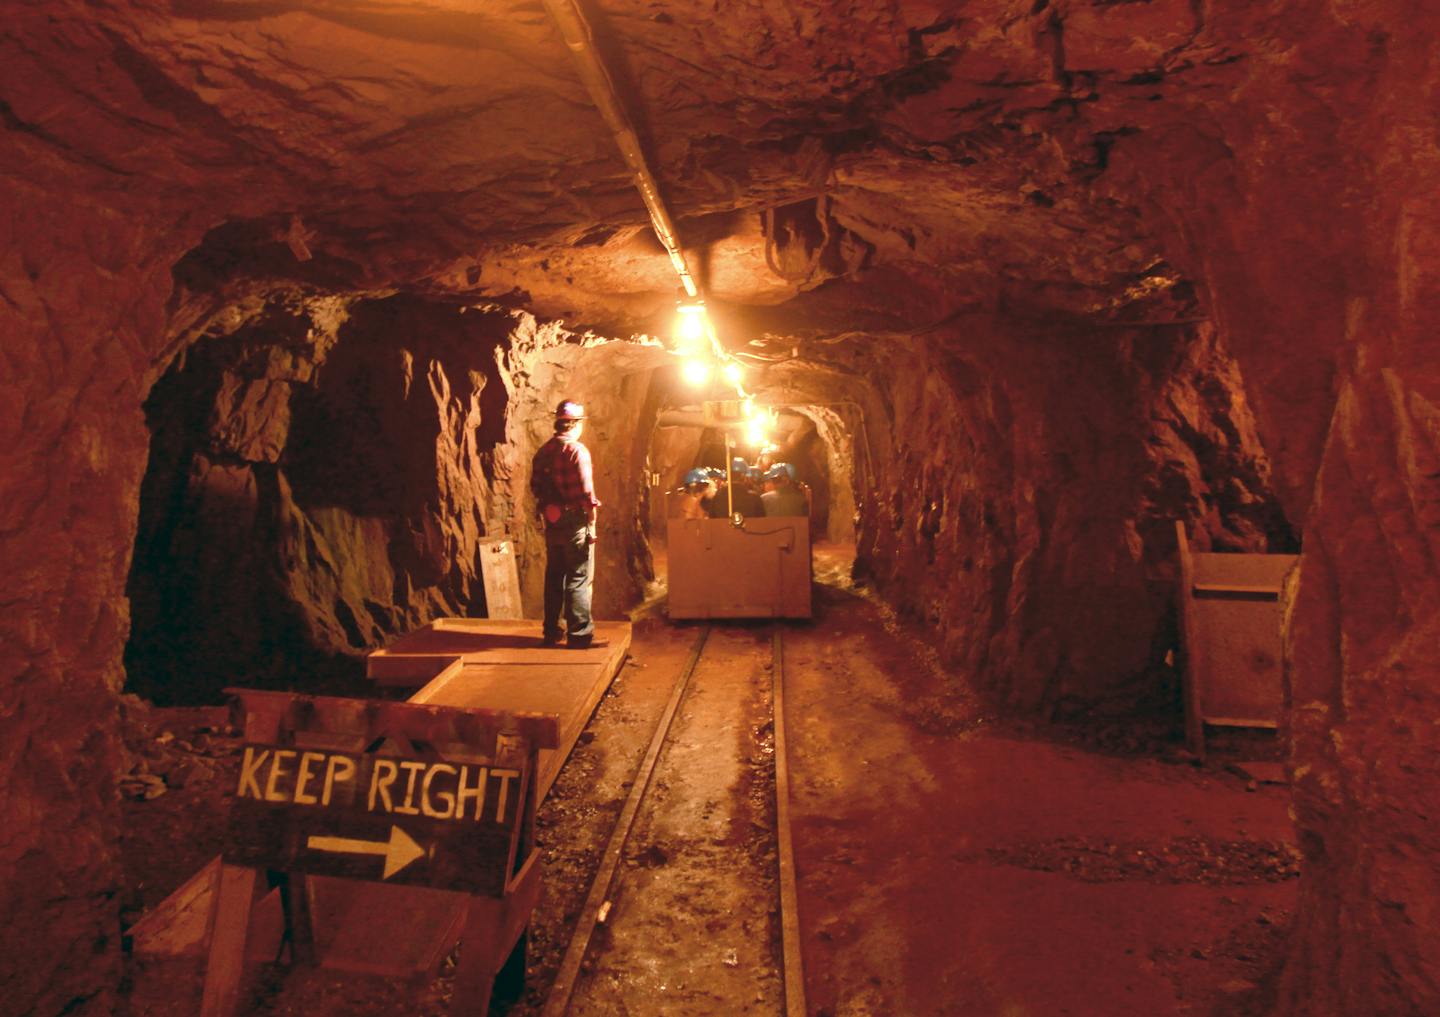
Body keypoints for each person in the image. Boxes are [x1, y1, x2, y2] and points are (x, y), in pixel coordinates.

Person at [530, 400, 601, 648]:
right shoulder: (576, 451)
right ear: (577, 424)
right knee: (578, 576)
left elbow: (536, 487)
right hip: (574, 519)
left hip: (553, 519)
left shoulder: (543, 452)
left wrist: (549, 508)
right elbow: (585, 492)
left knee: (554, 576)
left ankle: (552, 631)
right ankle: (579, 634)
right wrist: (592, 519)